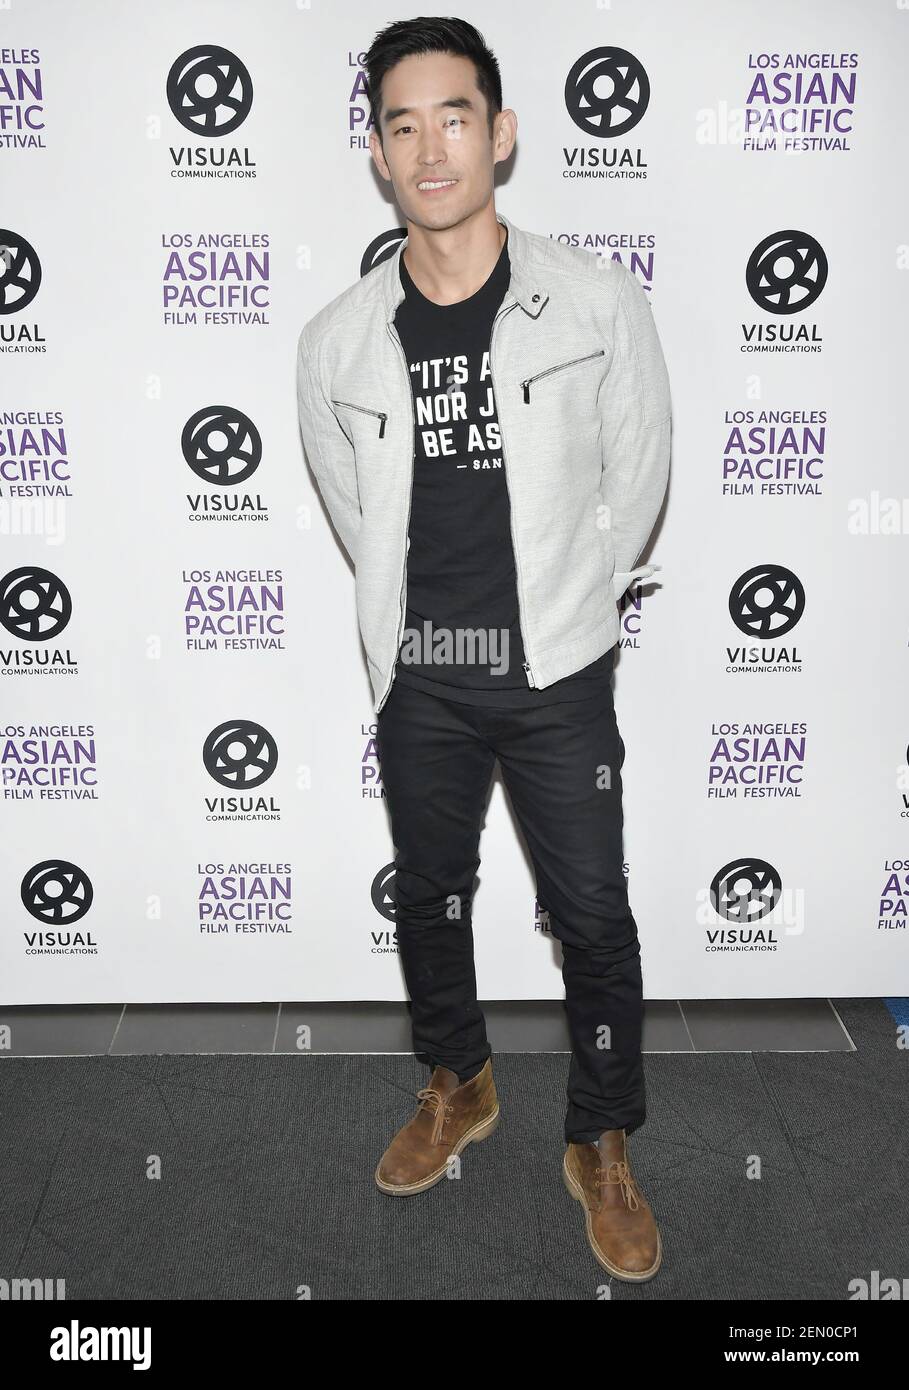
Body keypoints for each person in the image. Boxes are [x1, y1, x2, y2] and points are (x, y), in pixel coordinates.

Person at [296, 15, 671, 1282]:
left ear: (500, 134)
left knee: (597, 916)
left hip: (559, 669)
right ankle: (458, 1082)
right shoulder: (336, 342)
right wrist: (416, 639)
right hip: (424, 678)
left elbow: (640, 480)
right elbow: (359, 514)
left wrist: (568, 612)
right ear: (379, 155)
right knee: (431, 895)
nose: (429, 145)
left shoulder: (598, 300)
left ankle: (601, 1140)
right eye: (401, 124)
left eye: (453, 115)